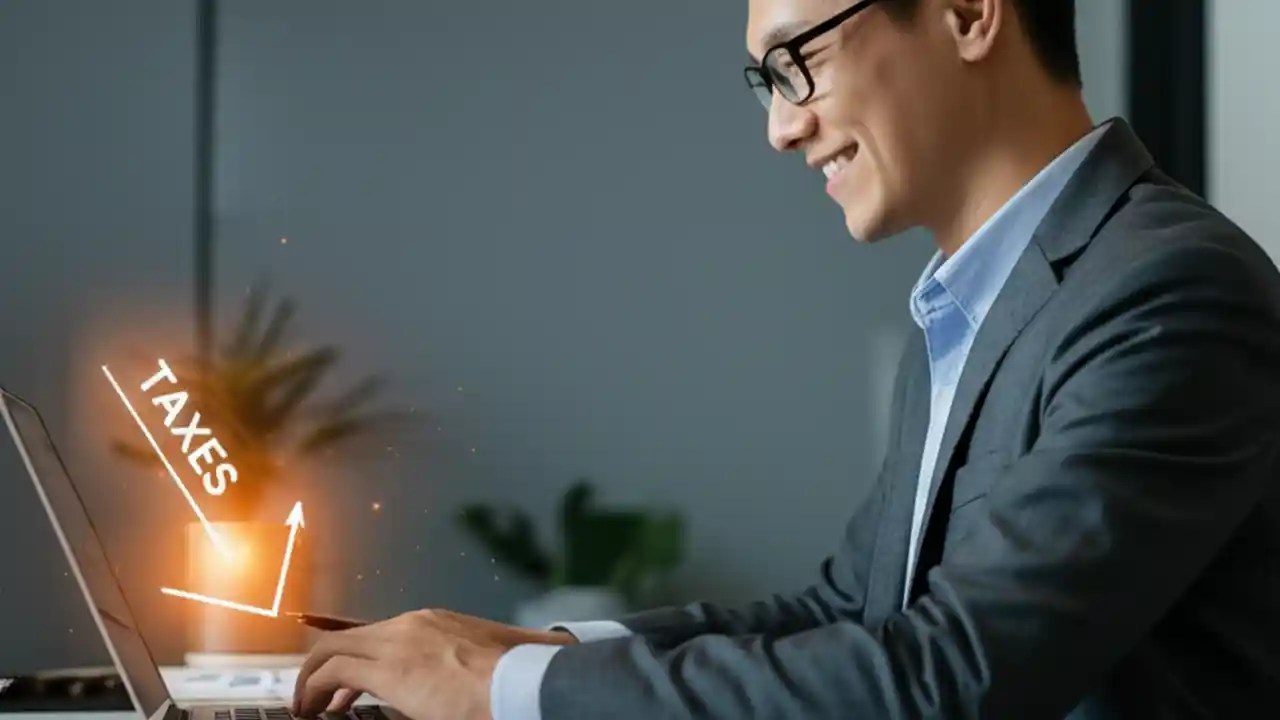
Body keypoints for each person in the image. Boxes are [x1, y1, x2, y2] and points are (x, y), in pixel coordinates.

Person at [291, 0, 1280, 717]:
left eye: (794, 60)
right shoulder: (971, 301)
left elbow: (950, 678)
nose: (779, 126)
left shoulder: (1164, 291)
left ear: (969, 12)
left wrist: (496, 689)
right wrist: (533, 652)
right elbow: (848, 609)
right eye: (764, 83)